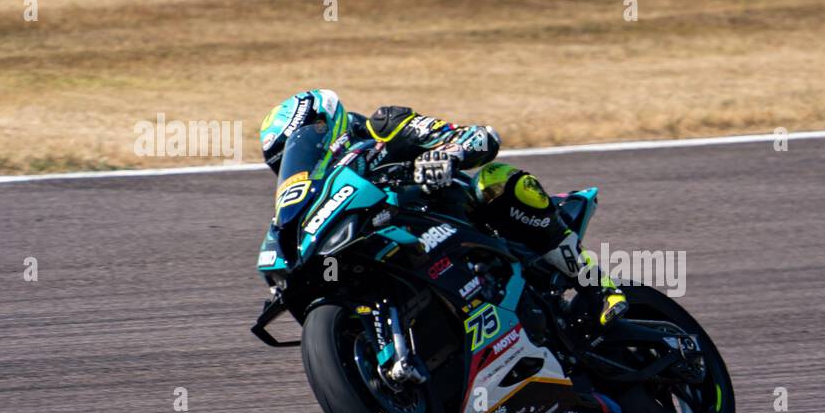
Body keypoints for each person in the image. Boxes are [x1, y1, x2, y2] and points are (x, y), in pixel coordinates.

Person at [259, 90, 626, 324]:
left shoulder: (383, 127)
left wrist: (447, 156)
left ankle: (598, 286)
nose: (301, 155)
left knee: (496, 181)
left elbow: (478, 136)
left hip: (459, 219)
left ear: (328, 122)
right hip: (394, 247)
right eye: (286, 159)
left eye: (310, 137)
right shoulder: (317, 192)